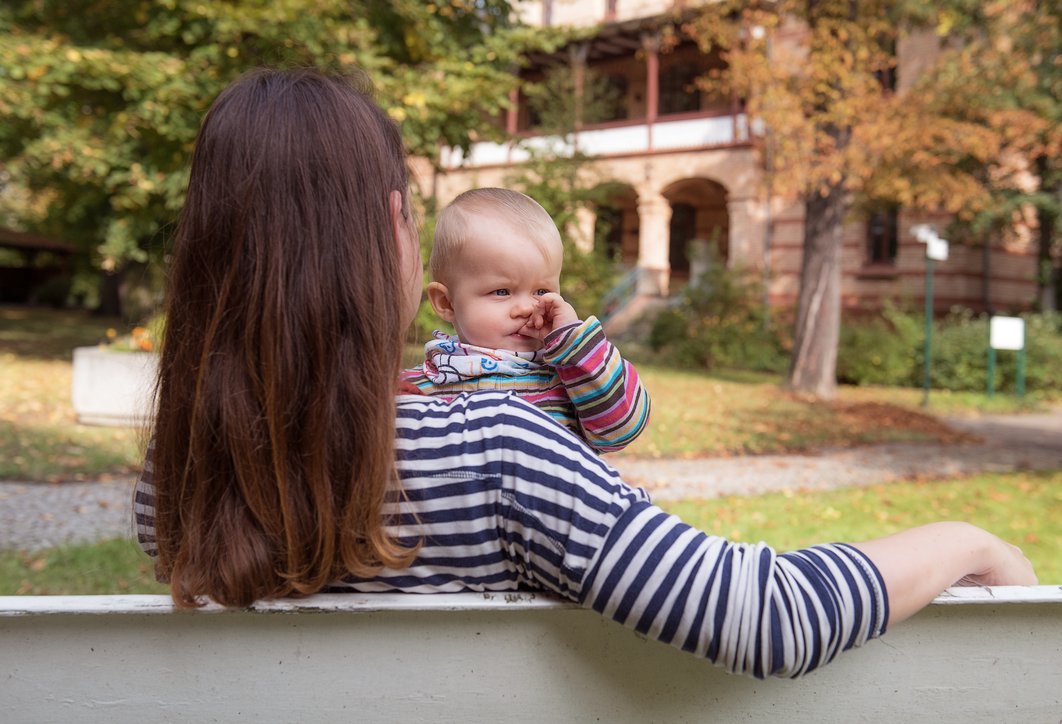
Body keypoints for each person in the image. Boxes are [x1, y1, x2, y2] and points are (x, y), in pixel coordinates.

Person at [134, 67, 1036, 680]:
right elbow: (766, 619)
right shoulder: (489, 444)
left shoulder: (175, 479)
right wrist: (971, 541)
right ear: (389, 231)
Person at [401, 187, 649, 453]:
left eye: (541, 292)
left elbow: (622, 429)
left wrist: (574, 342)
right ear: (446, 303)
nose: (526, 308)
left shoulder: (569, 379)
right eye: (501, 291)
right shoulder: (422, 386)